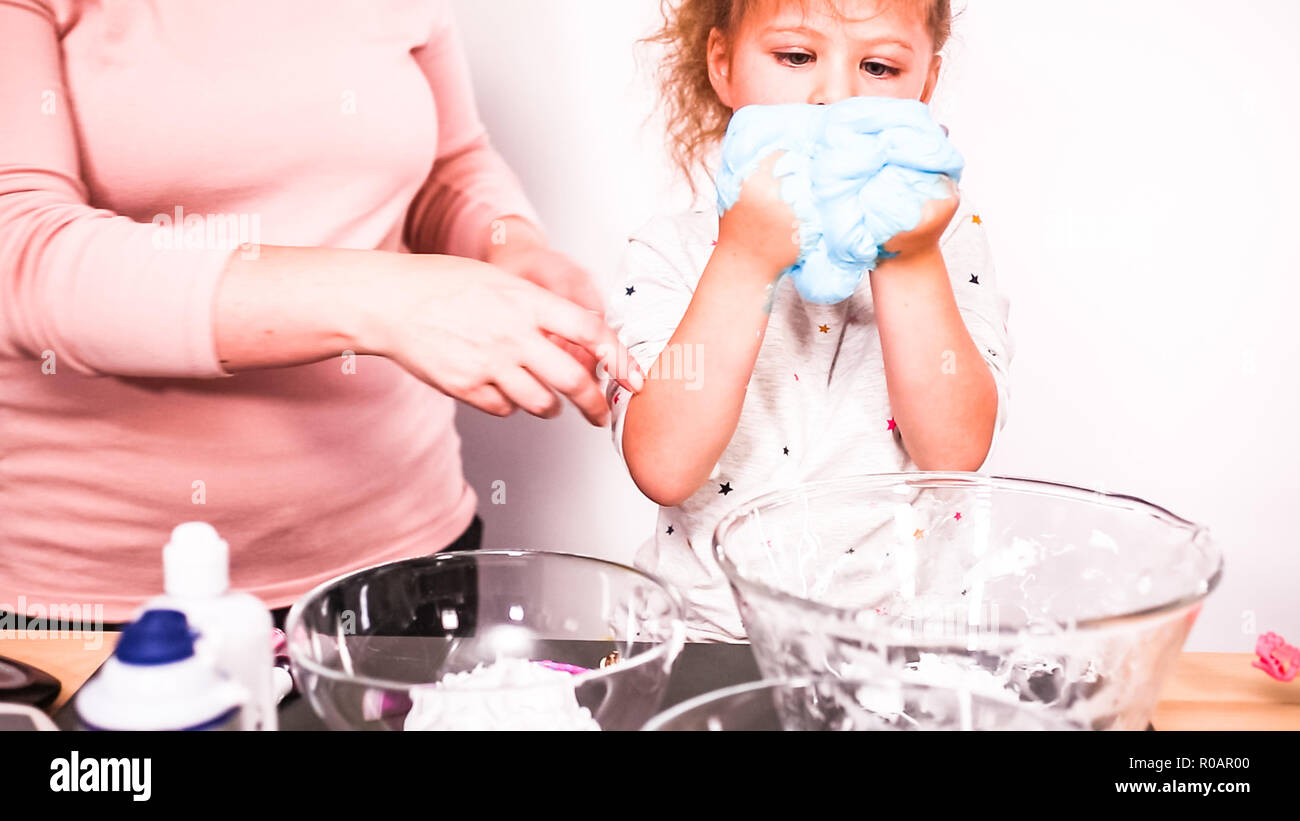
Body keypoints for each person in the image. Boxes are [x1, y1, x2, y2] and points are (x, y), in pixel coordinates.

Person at [0, 0, 642, 630]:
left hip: (408, 557)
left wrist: (508, 245)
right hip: (106, 602)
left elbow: (450, 163)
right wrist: (386, 299)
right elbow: (22, 252)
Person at [606, 0, 1015, 641]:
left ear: (924, 89)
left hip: (900, 641)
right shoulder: (670, 251)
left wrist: (909, 257)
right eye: (796, 57)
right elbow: (663, 465)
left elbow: (954, 454)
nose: (836, 97)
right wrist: (744, 258)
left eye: (878, 67)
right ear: (723, 66)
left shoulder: (945, 238)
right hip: (708, 639)